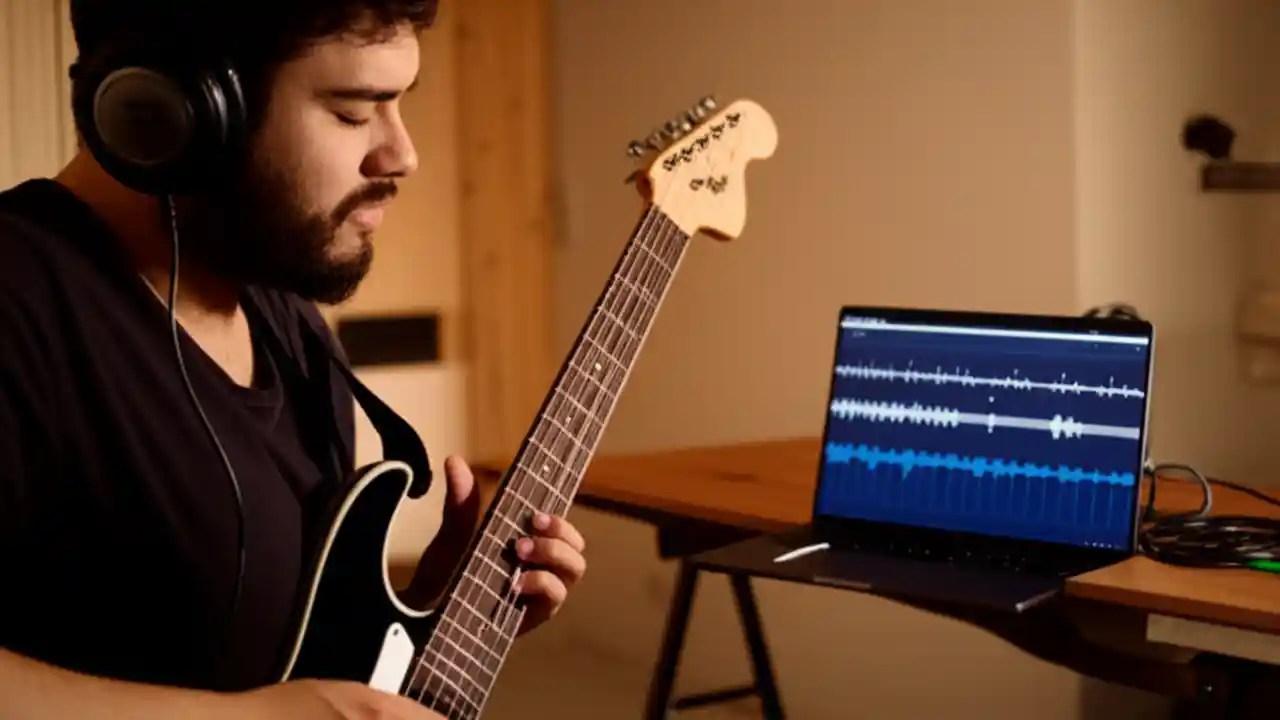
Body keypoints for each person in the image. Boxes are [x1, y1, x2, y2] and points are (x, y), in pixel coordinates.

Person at [0, 0, 586, 717]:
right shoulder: (17, 302)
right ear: (177, 115)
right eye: (352, 111)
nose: (403, 154)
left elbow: (290, 659)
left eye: (399, 104)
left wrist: (429, 610)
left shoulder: (289, 323)